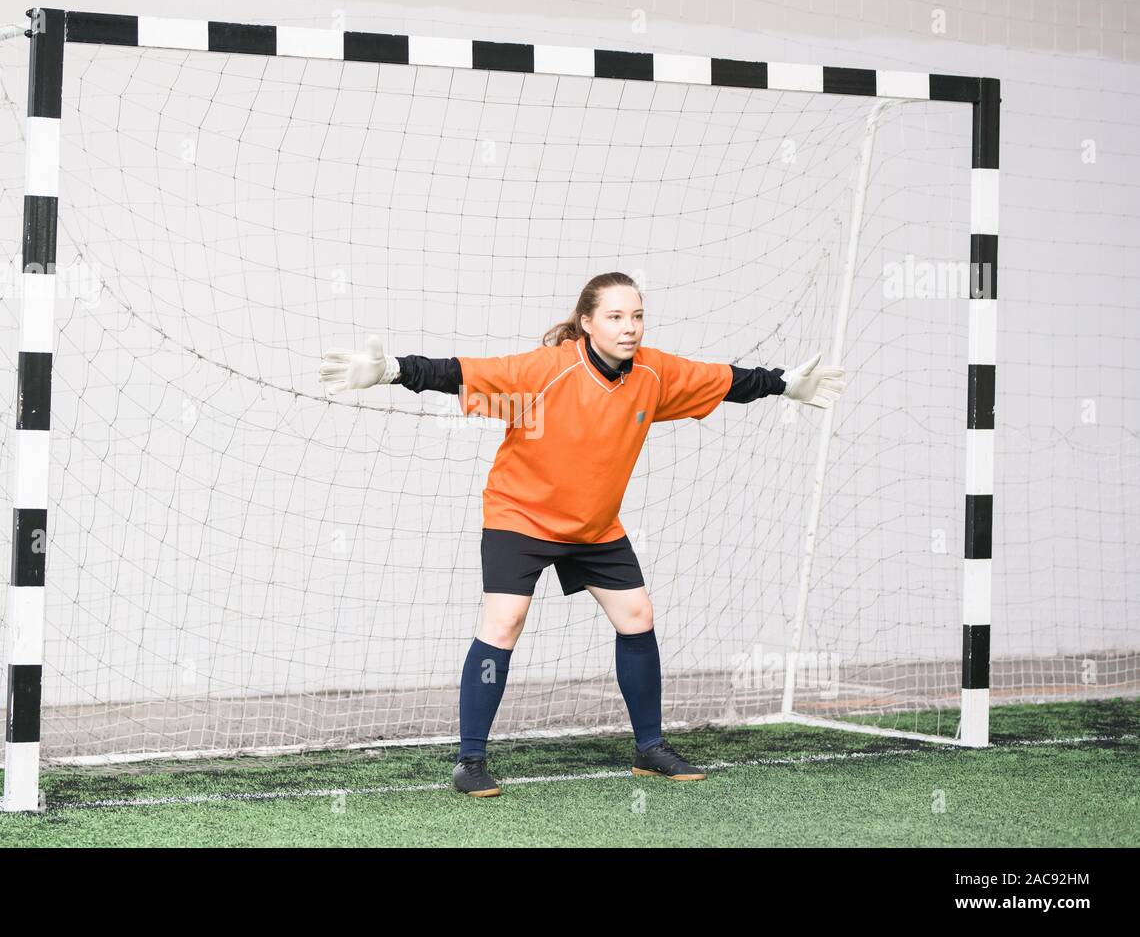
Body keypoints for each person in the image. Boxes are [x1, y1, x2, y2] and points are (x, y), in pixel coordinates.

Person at [319, 272, 846, 797]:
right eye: (615, 316)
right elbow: (461, 373)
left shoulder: (654, 373)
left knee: (637, 616)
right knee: (504, 624)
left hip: (595, 526)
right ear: (587, 323)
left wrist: (784, 383)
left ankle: (649, 748)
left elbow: (724, 380)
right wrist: (392, 370)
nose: (630, 327)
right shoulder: (547, 369)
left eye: (637, 315)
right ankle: (471, 760)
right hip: (520, 516)